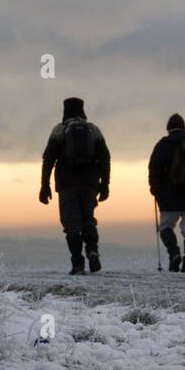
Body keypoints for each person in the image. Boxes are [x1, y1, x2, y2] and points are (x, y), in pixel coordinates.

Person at [40, 97, 111, 274]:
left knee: (72, 225)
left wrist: (45, 185)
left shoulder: (59, 130)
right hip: (90, 183)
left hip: (67, 184)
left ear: (65, 111)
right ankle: (93, 250)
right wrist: (105, 184)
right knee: (88, 219)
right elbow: (105, 158)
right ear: (82, 110)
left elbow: (48, 159)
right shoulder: (94, 130)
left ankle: (78, 263)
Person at [148, 113, 185, 273]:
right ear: (184, 128)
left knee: (165, 226)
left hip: (169, 195)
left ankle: (174, 253)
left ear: (168, 129)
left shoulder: (161, 146)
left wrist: (155, 190)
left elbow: (153, 170)